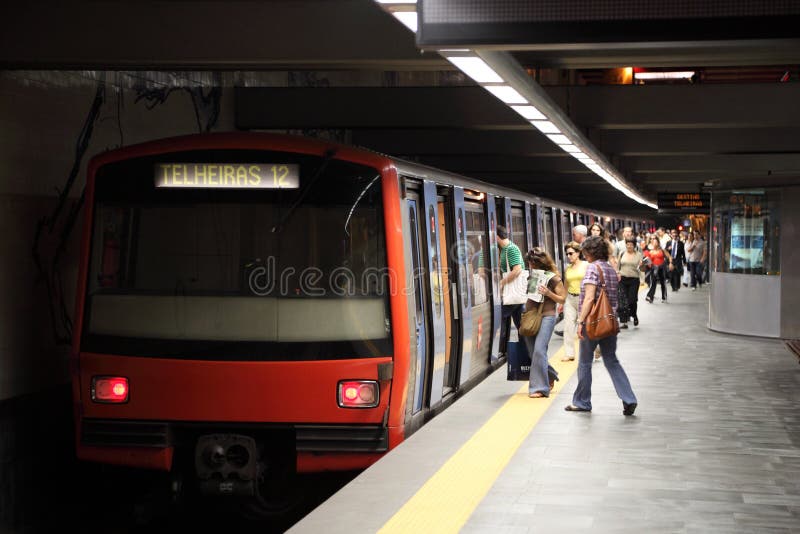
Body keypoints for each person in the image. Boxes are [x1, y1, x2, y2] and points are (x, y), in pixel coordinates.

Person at [565, 236, 638, 415]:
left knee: (584, 362)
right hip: (609, 322)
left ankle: (582, 402)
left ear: (591, 252)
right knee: (612, 360)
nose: (584, 255)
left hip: (592, 322)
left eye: (585, 251)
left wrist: (581, 321)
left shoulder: (592, 268)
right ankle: (629, 398)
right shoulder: (610, 268)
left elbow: (590, 297)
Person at [521, 248, 566, 398]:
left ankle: (539, 388)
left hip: (547, 316)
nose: (530, 265)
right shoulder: (532, 276)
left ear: (539, 263)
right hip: (530, 317)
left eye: (532, 263)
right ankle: (550, 375)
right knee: (533, 352)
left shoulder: (554, 278)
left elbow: (562, 299)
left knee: (539, 350)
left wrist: (548, 293)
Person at [497, 225, 524, 355]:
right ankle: (525, 352)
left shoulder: (511, 249)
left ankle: (500, 349)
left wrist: (501, 283)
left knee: (499, 317)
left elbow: (517, 270)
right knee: (520, 324)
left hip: (513, 292)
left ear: (496, 237)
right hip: (514, 293)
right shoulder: (504, 249)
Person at [561, 241, 587, 361]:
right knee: (568, 326)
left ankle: (596, 348)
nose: (568, 256)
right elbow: (565, 285)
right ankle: (569, 353)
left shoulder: (586, 265)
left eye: (571, 253)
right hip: (570, 299)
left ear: (578, 253)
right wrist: (561, 302)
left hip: (584, 299)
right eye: (567, 254)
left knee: (586, 328)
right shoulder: (567, 268)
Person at [617, 238, 643, 328]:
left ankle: (634, 315)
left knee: (632, 300)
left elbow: (642, 269)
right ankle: (624, 322)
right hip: (622, 279)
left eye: (631, 245)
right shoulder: (622, 253)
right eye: (627, 244)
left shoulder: (639, 255)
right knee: (623, 301)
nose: (629, 246)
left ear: (634, 245)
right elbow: (618, 266)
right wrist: (617, 273)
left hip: (634, 280)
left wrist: (642, 266)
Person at [644, 236, 673, 303]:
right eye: (653, 242)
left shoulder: (662, 250)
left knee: (663, 282)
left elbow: (669, 257)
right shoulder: (649, 251)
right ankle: (650, 297)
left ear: (658, 243)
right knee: (653, 283)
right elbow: (646, 261)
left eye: (656, 242)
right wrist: (648, 264)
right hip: (653, 268)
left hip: (662, 268)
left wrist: (670, 263)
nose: (654, 243)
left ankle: (664, 297)